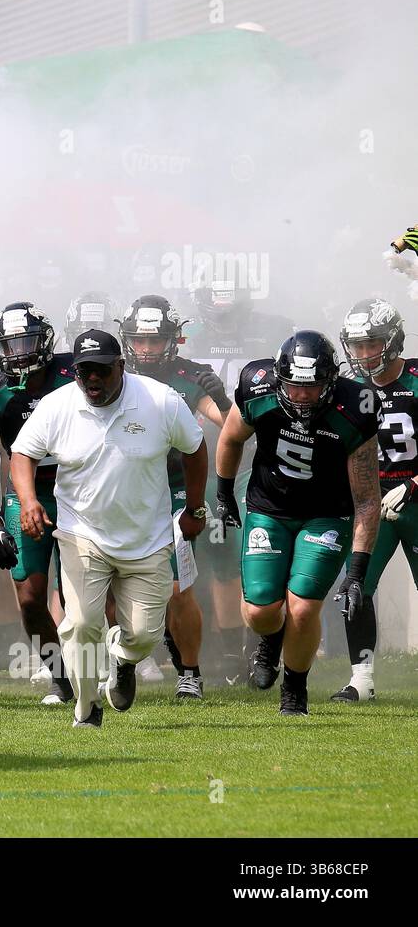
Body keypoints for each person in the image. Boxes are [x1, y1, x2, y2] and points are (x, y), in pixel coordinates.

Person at [10, 330, 207, 727]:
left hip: (148, 539)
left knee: (145, 635)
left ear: (121, 366)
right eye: (84, 372)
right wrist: (29, 500)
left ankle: (122, 659)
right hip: (82, 533)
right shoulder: (58, 405)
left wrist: (195, 507)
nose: (92, 380)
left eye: (101, 370)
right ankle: (87, 709)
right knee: (81, 623)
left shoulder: (160, 401)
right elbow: (22, 453)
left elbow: (195, 448)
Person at [215, 331, 380, 715]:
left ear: (331, 382)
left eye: (313, 387)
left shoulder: (356, 406)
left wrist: (356, 573)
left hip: (326, 514)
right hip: (268, 508)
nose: (302, 395)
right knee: (260, 611)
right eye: (294, 386)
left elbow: (368, 499)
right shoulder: (258, 388)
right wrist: (223, 495)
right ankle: (270, 640)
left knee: (303, 608)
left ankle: (295, 688)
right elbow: (230, 438)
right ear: (279, 378)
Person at [119, 294, 230, 699]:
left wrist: (219, 398)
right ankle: (128, 659)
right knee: (118, 580)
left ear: (173, 339)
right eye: (140, 341)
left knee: (178, 584)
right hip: (125, 486)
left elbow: (232, 426)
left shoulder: (190, 376)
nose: (147, 349)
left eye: (156, 340)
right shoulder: (110, 372)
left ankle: (190, 671)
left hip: (177, 487)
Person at [0, 302, 76, 705]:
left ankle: (109, 665)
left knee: (81, 591)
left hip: (79, 492)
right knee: (29, 597)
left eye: (28, 342)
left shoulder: (74, 373)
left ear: (45, 342)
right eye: (11, 346)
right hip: (24, 496)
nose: (21, 354)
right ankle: (60, 677)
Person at [186, 278, 296, 681]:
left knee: (261, 555)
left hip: (260, 458)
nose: (224, 315)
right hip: (204, 455)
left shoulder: (271, 333)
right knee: (221, 562)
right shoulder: (187, 340)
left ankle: (261, 648)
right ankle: (233, 654)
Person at [334, 299, 418, 701]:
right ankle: (361, 680)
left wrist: (414, 484)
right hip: (372, 503)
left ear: (393, 340)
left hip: (415, 496)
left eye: (372, 344)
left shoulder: (417, 378)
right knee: (357, 586)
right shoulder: (348, 391)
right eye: (357, 345)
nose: (364, 354)